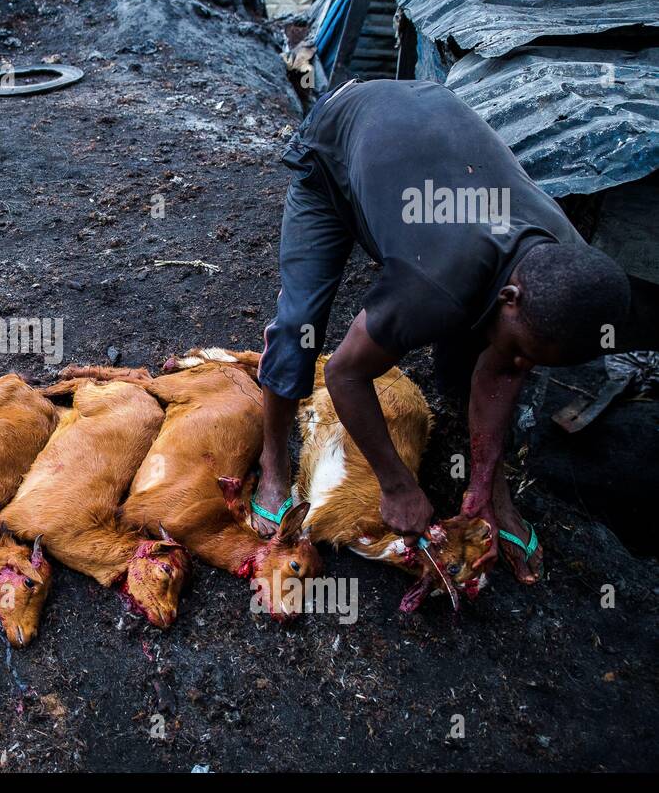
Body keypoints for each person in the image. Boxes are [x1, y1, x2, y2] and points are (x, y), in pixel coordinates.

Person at [252, 79, 631, 583]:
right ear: (509, 299)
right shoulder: (434, 282)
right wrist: (397, 484)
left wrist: (481, 487)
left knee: (487, 346)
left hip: (414, 152)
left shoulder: (563, 259)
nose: (520, 366)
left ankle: (493, 497)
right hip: (334, 151)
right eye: (522, 353)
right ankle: (272, 461)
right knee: (301, 322)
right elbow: (345, 375)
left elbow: (502, 368)